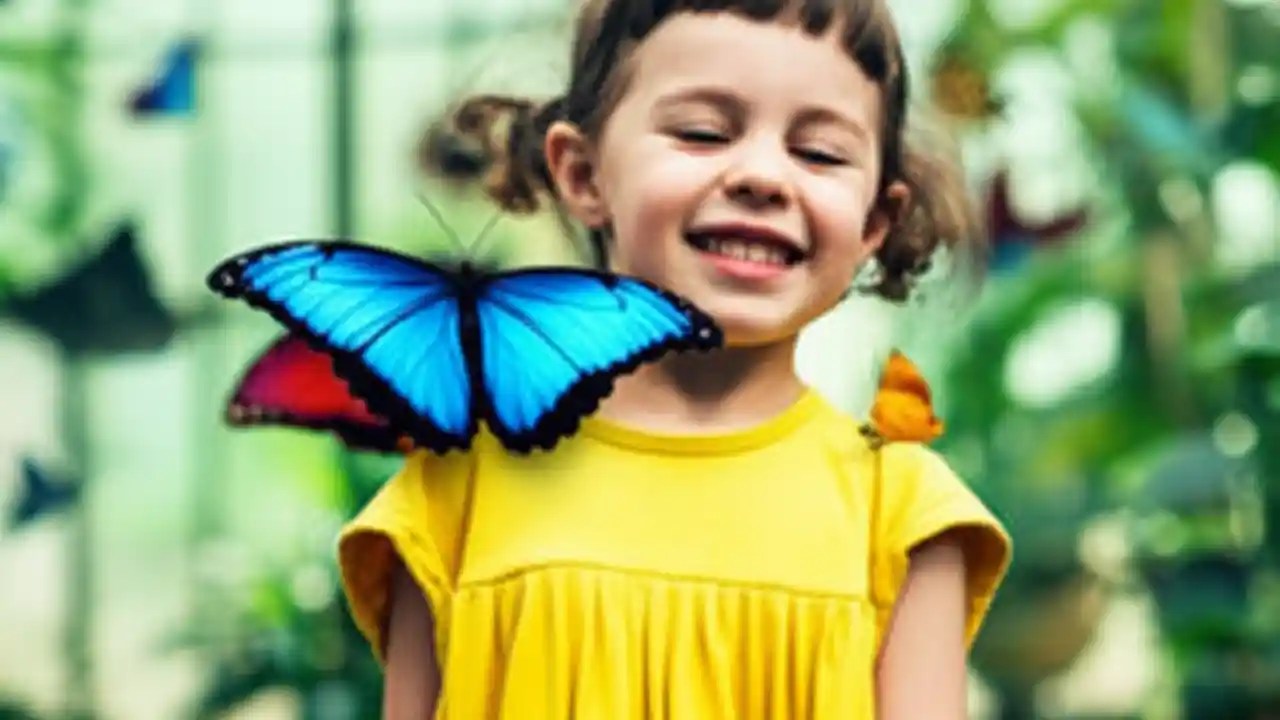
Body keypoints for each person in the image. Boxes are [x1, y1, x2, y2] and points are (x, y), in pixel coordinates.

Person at [339, 1, 1012, 717]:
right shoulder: (457, 487)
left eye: (817, 152)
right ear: (585, 174)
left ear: (875, 219)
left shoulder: (902, 517)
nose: (762, 175)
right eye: (702, 132)